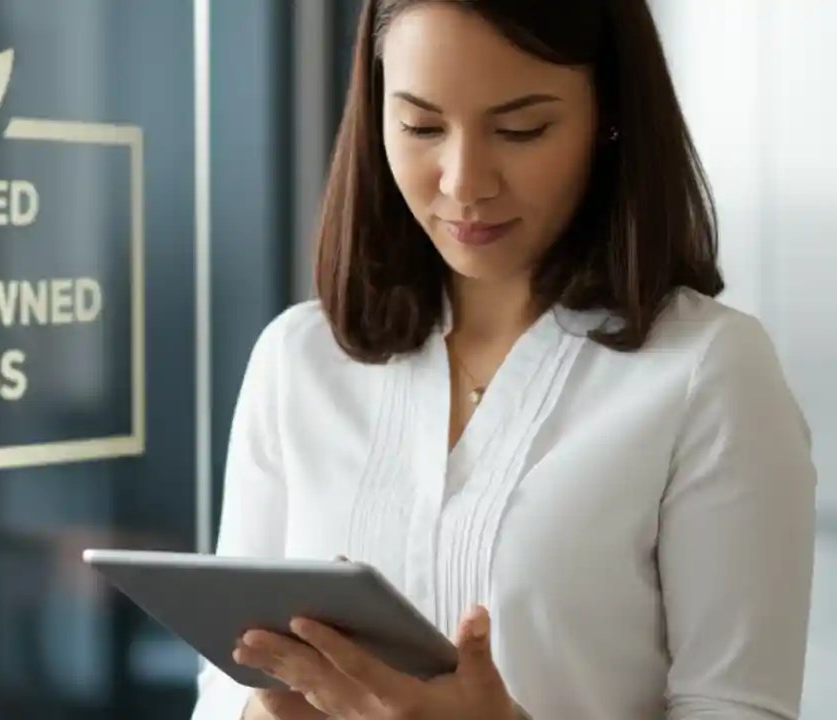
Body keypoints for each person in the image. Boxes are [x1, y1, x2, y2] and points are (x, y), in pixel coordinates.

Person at [191, 0, 817, 718]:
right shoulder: (297, 360)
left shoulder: (709, 372)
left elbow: (738, 707)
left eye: (521, 129)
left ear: (608, 117)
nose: (464, 184)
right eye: (421, 126)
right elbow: (222, 689)